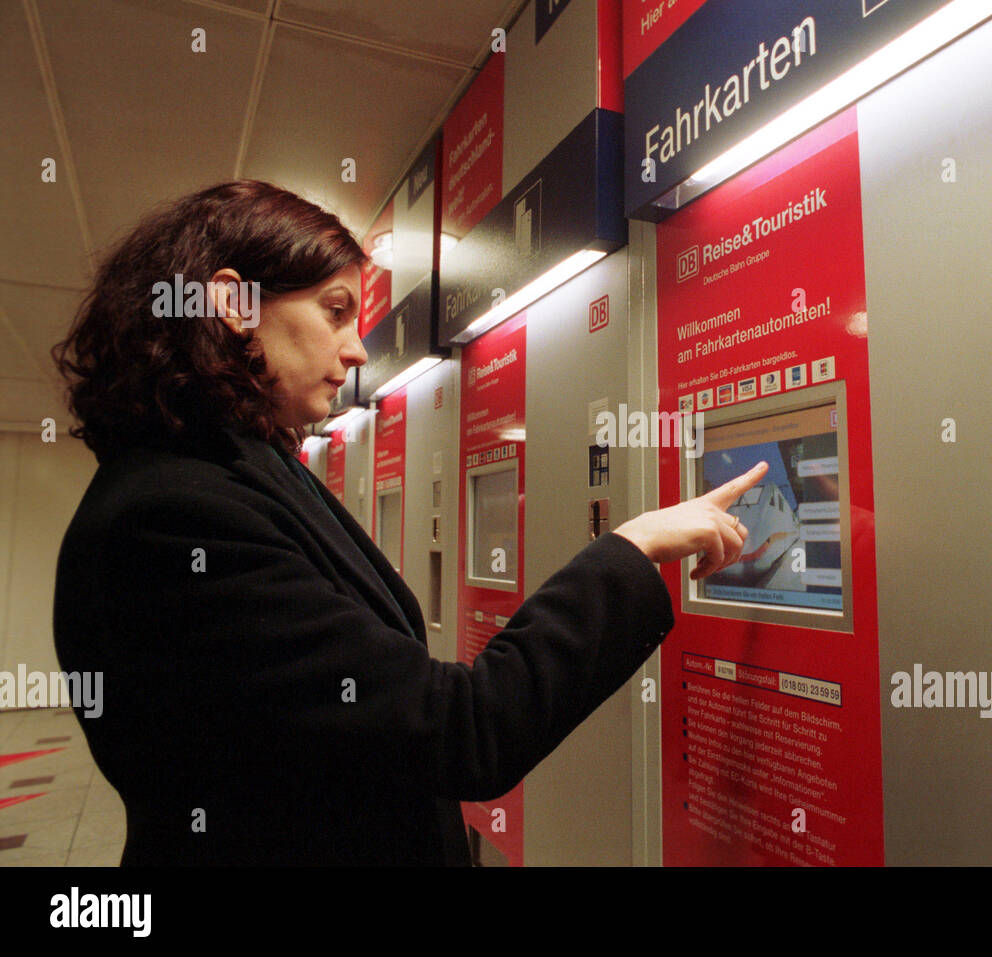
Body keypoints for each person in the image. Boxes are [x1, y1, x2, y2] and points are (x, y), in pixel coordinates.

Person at [50, 180, 767, 865]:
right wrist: (631, 548)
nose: (357, 350)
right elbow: (464, 729)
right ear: (233, 303)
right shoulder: (175, 518)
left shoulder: (233, 474)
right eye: (334, 311)